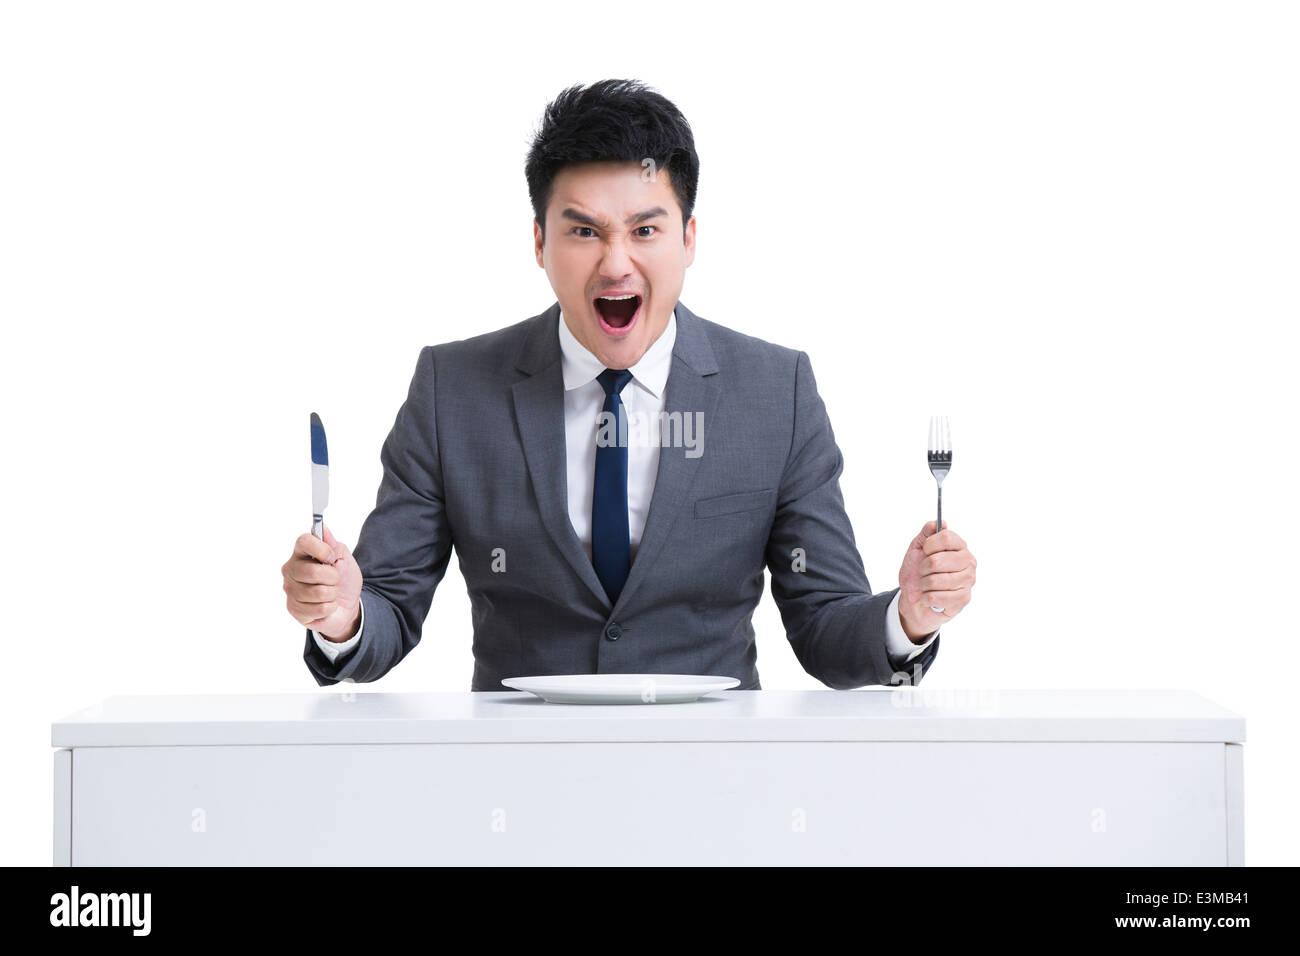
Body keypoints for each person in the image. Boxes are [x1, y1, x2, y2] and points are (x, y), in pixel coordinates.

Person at [281, 79, 977, 691]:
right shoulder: (452, 389)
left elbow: (826, 626)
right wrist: (342, 615)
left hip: (717, 787)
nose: (617, 263)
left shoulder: (776, 390)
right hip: (516, 783)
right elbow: (389, 611)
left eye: (645, 229)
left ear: (689, 238)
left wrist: (907, 616)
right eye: (584, 231)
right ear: (539, 243)